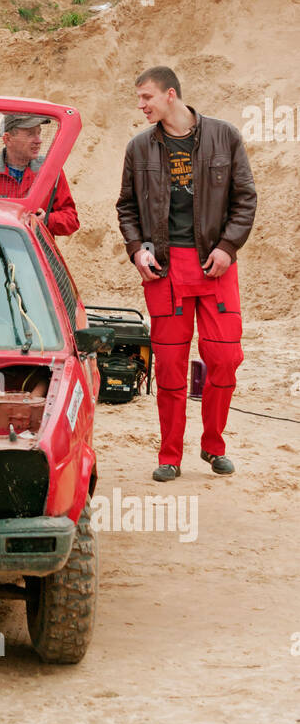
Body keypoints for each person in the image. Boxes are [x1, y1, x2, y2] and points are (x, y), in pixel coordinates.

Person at [116, 67, 257, 483]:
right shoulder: (138, 148)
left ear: (170, 95)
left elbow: (245, 198)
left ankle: (214, 446)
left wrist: (228, 247)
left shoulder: (224, 136)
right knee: (173, 366)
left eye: (146, 98)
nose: (141, 105)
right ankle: (170, 455)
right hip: (164, 270)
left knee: (225, 359)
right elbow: (126, 208)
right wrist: (136, 249)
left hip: (215, 266)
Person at [0, 113, 79, 236]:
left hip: (34, 255)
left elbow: (72, 220)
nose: (38, 140)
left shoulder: (50, 171)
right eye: (30, 134)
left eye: (38, 133)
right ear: (7, 139)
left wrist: (46, 220)